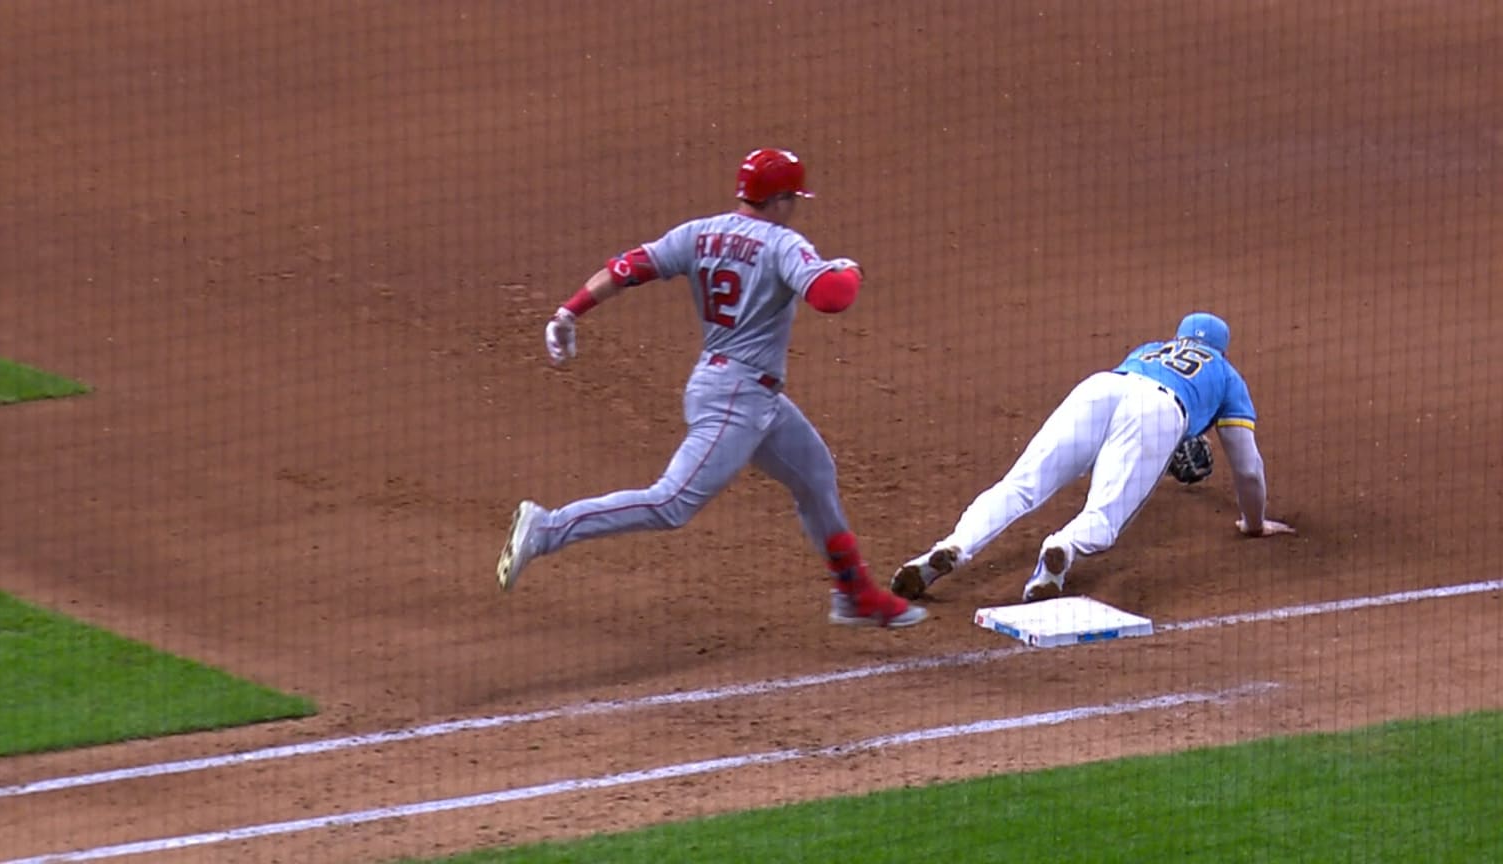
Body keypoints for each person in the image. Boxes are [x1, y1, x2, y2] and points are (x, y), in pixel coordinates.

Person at [496, 148, 927, 628]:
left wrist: (568, 312)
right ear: (781, 199)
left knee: (815, 475)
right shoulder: (782, 244)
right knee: (671, 503)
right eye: (793, 199)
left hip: (739, 390)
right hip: (735, 399)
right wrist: (850, 271)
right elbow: (831, 298)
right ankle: (548, 527)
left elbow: (627, 268)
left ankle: (855, 595)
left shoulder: (698, 233)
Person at [890, 312, 1295, 603]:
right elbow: (1247, 469)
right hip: (1159, 410)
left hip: (1102, 388)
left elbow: (1124, 411)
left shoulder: (1150, 350)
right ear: (1222, 349)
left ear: (1179, 337)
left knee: (1019, 485)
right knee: (1104, 515)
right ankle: (1062, 549)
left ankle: (954, 545)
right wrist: (1254, 523)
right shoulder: (1227, 375)